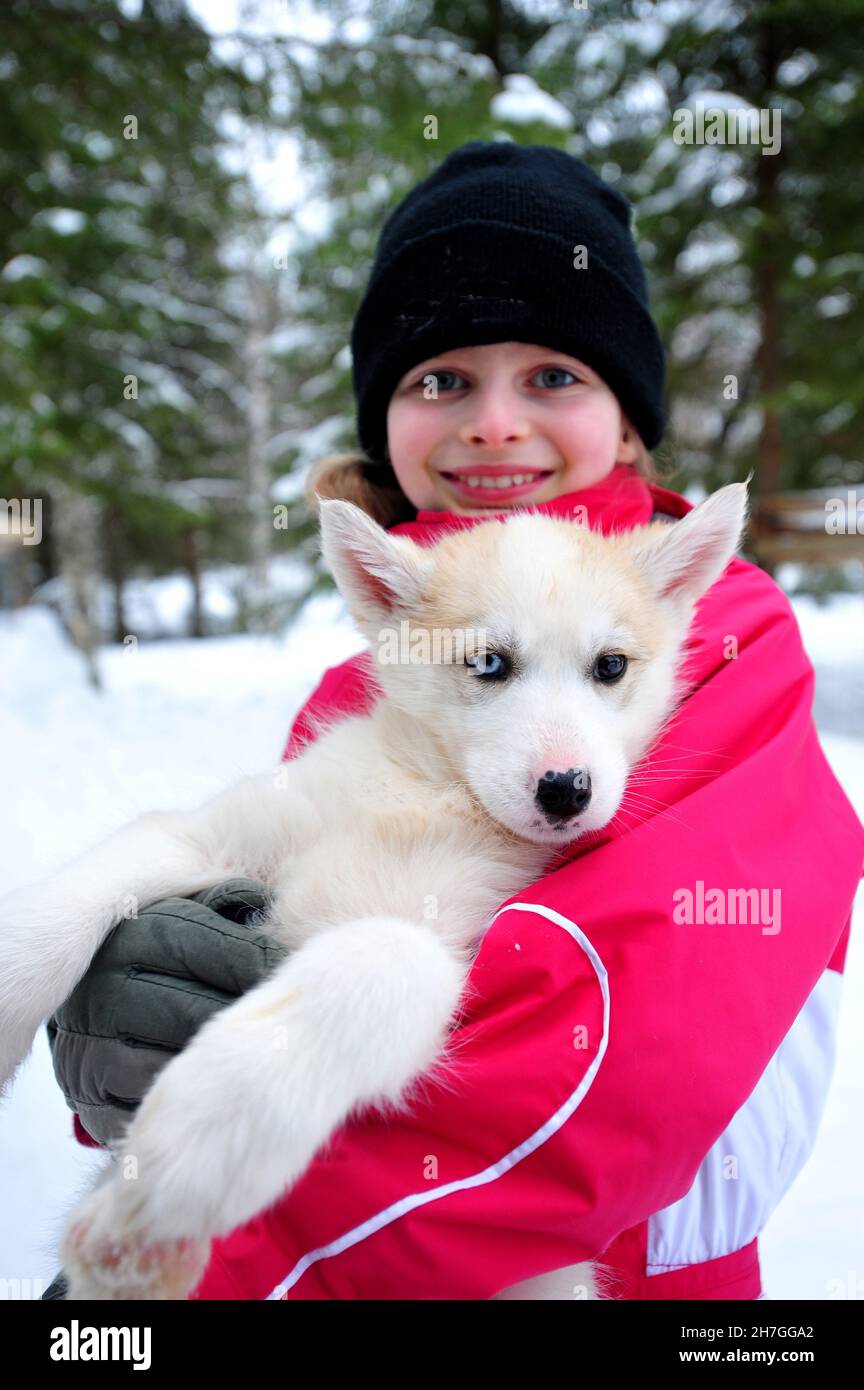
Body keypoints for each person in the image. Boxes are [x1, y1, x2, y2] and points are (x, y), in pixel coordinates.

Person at [44, 141, 864, 1302]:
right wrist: (153, 1049)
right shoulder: (383, 666)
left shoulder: (717, 633)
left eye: (553, 376)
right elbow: (269, 967)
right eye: (440, 379)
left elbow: (610, 1069)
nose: (492, 423)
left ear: (629, 418)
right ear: (385, 418)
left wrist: (209, 1224)